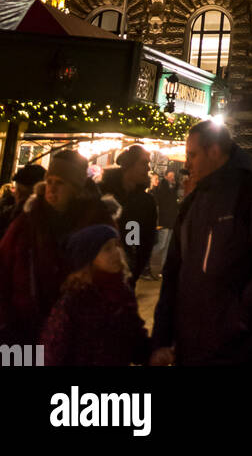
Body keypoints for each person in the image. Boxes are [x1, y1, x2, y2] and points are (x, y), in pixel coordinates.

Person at [150, 121, 252, 367]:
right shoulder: (194, 201)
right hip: (190, 342)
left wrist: (239, 320)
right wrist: (161, 336)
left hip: (234, 346)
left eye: (192, 155)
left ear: (214, 151)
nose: (187, 163)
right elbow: (173, 272)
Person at [0, 150, 114, 344]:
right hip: (24, 330)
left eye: (60, 183)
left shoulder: (97, 225)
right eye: (50, 181)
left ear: (76, 188)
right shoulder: (26, 222)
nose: (52, 189)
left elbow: (113, 280)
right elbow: (3, 268)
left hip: (75, 334)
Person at [40, 225, 149, 367]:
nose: (117, 252)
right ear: (89, 259)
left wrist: (152, 354)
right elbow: (52, 354)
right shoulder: (74, 302)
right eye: (107, 249)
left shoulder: (122, 293)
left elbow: (134, 339)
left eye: (116, 245)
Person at [99, 145, 158, 285]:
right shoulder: (102, 193)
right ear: (128, 166)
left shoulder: (145, 202)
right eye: (144, 163)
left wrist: (132, 273)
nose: (148, 168)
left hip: (125, 278)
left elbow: (141, 243)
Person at [0, 163, 45, 243]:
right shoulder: (9, 213)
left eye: (24, 193)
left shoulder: (23, 218)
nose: (17, 195)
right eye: (18, 190)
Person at [148, 170, 180, 279]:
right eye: (170, 176)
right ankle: (147, 262)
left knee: (166, 247)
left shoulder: (172, 189)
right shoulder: (163, 187)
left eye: (173, 176)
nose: (172, 178)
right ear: (165, 177)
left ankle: (162, 269)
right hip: (164, 221)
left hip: (171, 221)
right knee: (161, 245)